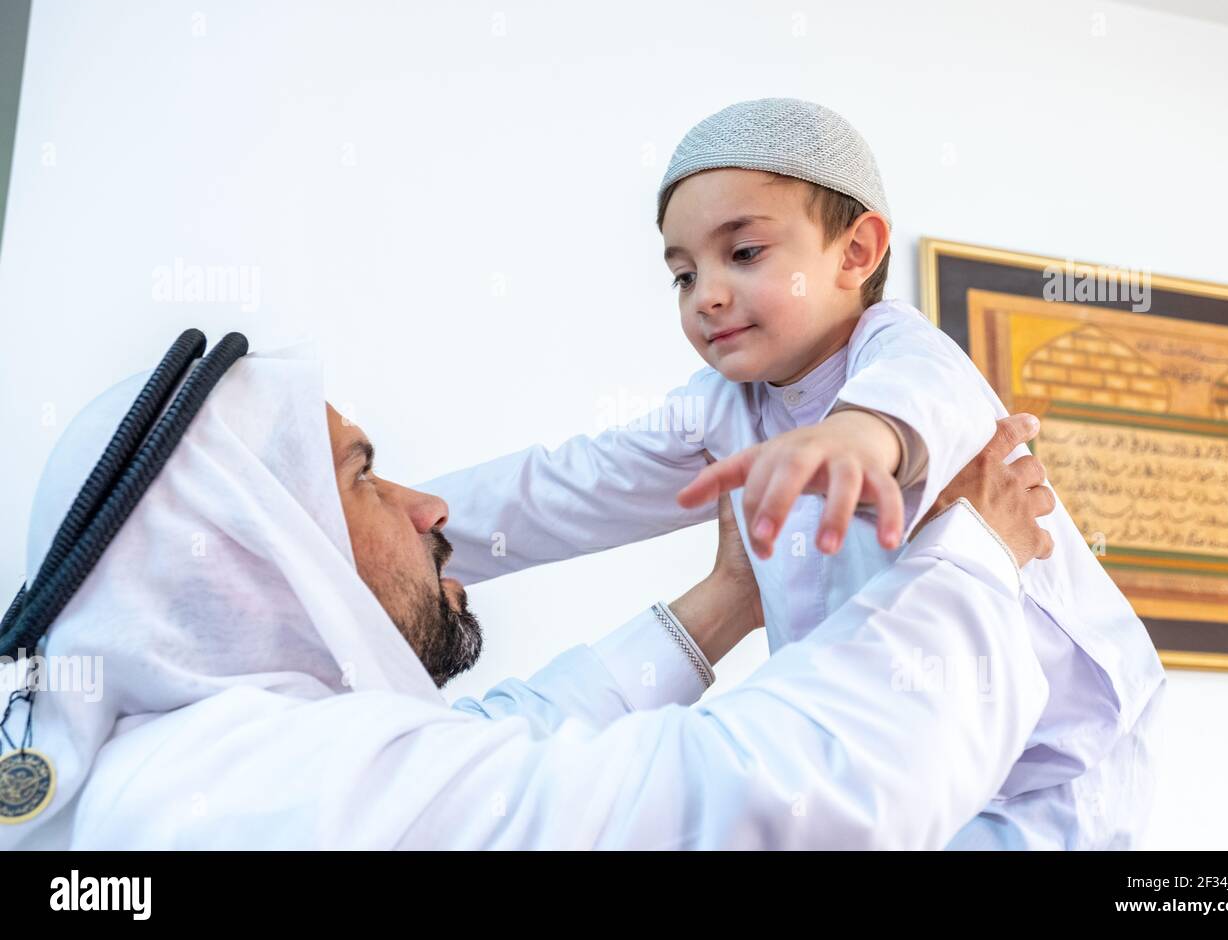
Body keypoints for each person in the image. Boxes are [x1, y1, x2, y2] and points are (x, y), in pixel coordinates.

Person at [419, 97, 1167, 848]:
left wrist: (856, 436)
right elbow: (568, 486)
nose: (705, 294)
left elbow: (918, 402)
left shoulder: (898, 350)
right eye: (683, 274)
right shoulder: (721, 408)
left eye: (743, 253)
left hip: (1058, 762)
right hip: (900, 751)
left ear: (855, 252)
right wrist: (400, 523)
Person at [2, 345, 1051, 849]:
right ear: (258, 549)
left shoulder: (203, 757)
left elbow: (493, 754)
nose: (425, 508)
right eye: (365, 475)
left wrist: (727, 599)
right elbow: (768, 796)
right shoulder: (245, 794)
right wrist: (975, 561)